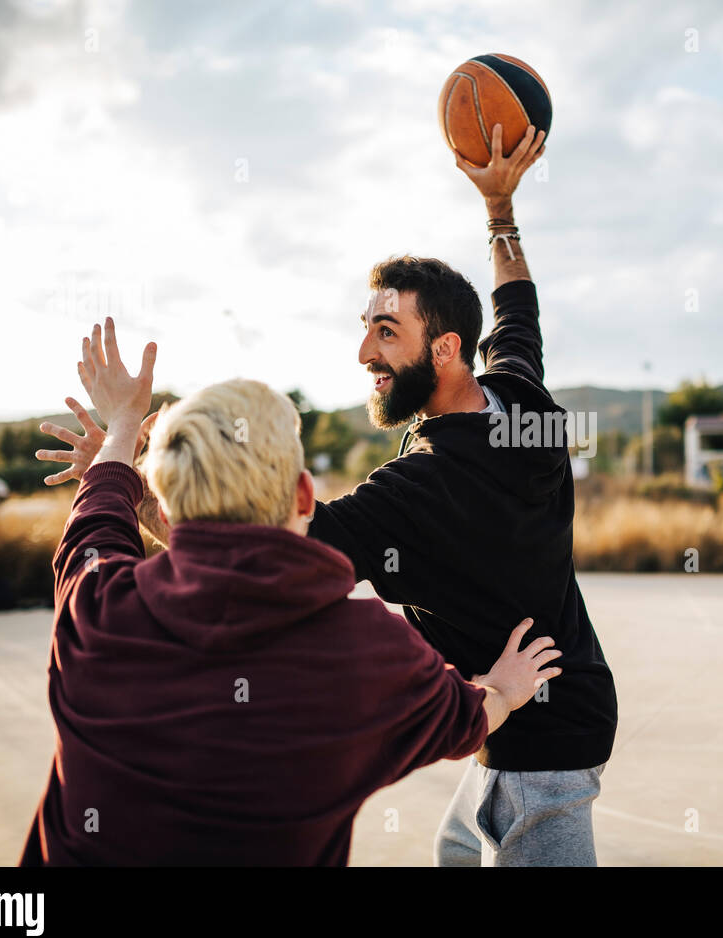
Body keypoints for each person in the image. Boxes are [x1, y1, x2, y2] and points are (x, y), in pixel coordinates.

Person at [39, 123, 618, 866]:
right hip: (540, 700)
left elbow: (260, 552)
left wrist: (132, 484)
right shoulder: (520, 403)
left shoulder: (423, 489)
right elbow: (517, 309)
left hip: (542, 738)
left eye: (386, 332)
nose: (364, 352)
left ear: (443, 350)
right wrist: (499, 211)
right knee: (455, 851)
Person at [21, 319, 560, 865]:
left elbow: (99, 507)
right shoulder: (370, 652)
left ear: (162, 511)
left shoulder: (95, 607)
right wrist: (506, 690)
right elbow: (467, 721)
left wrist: (122, 427)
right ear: (305, 495)